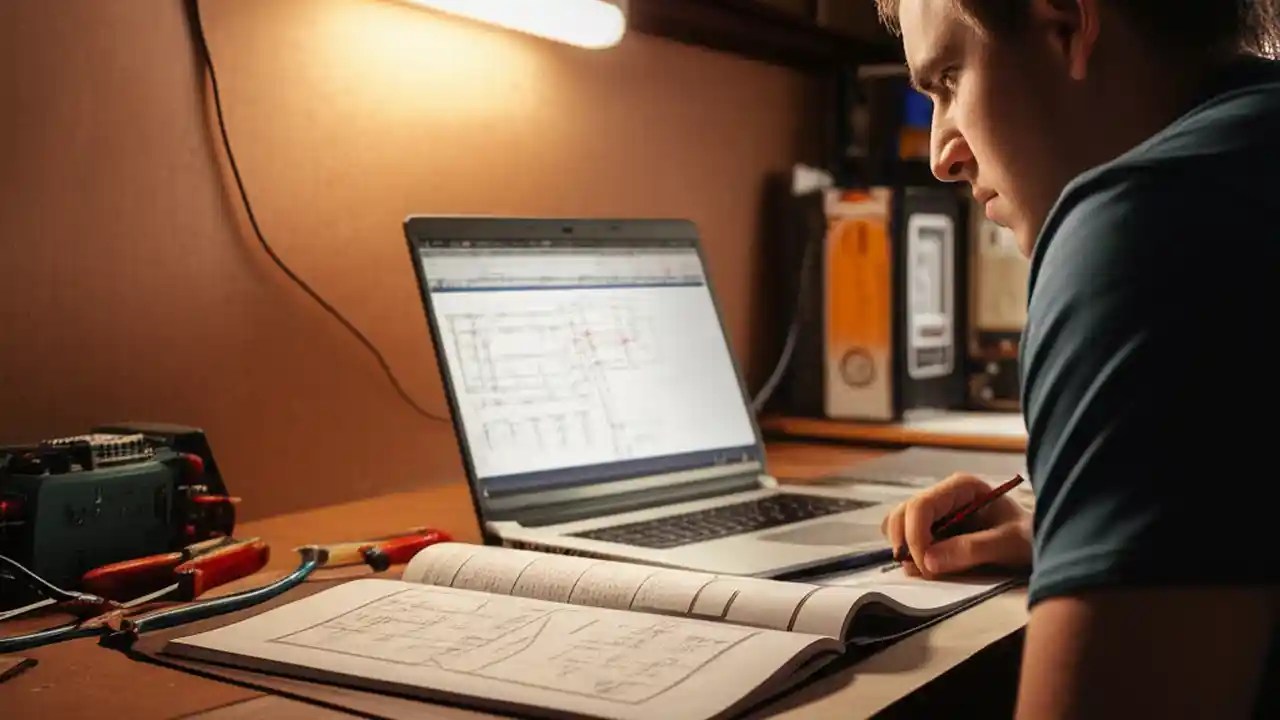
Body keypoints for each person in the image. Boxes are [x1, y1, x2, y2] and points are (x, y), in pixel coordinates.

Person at [873, 1, 1279, 717]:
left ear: (1064, 25)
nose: (942, 153)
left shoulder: (1142, 225)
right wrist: (1086, 528)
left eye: (949, 79)